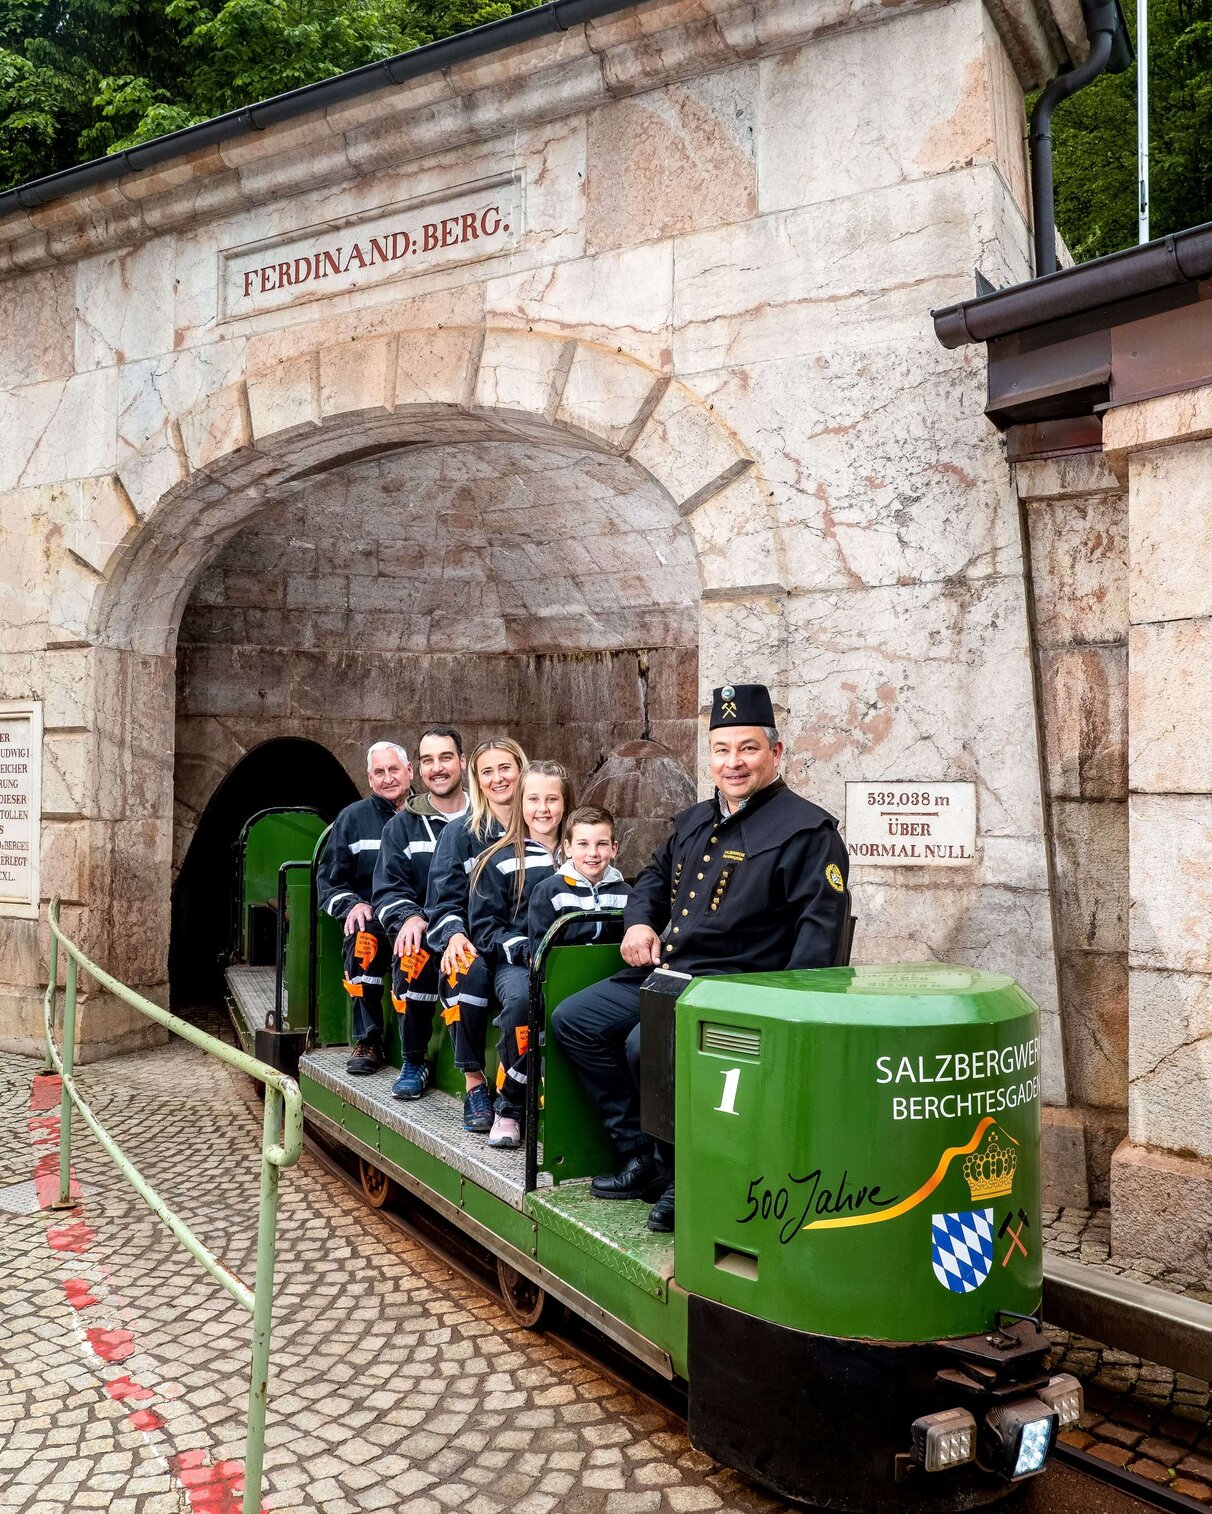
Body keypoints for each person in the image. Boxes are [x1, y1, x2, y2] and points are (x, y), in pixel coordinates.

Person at [550, 684, 849, 1233]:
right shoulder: (693, 820)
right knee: (574, 1021)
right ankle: (644, 1156)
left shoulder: (807, 831)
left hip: (737, 988)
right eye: (721, 750)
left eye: (748, 748)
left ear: (775, 754)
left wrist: (790, 1016)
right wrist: (639, 921)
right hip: (671, 974)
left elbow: (819, 940)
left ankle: (687, 1180)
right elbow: (652, 880)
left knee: (650, 1045)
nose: (733, 763)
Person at [424, 737, 528, 1132]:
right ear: (477, 780)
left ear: (521, 770)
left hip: (520, 944)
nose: (498, 778)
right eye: (487, 772)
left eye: (506, 768)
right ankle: (475, 1083)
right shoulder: (461, 833)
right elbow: (443, 899)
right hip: (476, 940)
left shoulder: (539, 822)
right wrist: (452, 935)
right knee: (466, 969)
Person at [468, 762, 573, 1149]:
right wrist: (521, 948)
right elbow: (484, 928)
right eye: (533, 799)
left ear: (566, 803)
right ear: (520, 802)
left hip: (569, 959)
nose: (542, 809)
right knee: (521, 1007)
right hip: (517, 964)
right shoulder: (497, 858)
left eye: (552, 799)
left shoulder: (582, 851)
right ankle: (509, 1106)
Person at [372, 726, 469, 1100]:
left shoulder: (486, 819)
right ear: (419, 769)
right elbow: (388, 888)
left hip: (476, 929)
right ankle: (414, 1059)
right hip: (427, 931)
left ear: (462, 761)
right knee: (412, 954)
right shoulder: (402, 826)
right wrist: (408, 917)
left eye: (446, 758)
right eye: (428, 760)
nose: (437, 768)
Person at [316, 741, 412, 1076]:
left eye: (394, 770)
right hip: (373, 919)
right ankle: (368, 1037)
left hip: (416, 919)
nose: (388, 778)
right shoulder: (352, 819)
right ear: (370, 779)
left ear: (409, 772)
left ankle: (416, 1048)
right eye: (379, 772)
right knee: (363, 941)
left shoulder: (429, 817)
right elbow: (329, 880)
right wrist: (352, 905)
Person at [527, 805, 632, 950]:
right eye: (583, 844)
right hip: (565, 969)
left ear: (613, 849)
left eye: (601, 844)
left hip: (616, 968)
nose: (593, 853)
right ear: (568, 848)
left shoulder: (627, 893)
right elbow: (540, 950)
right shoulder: (548, 893)